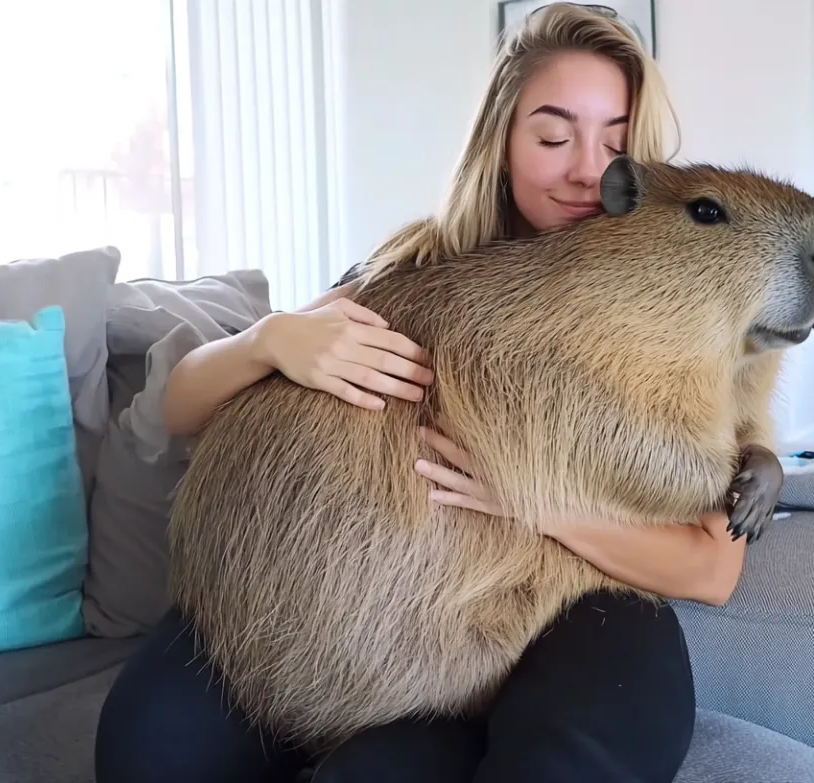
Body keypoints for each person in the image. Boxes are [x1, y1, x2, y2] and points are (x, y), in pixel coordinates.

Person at [95, 5, 769, 782]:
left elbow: (711, 569)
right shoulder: (414, 265)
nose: (586, 167)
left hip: (541, 602)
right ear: (503, 141)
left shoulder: (684, 303)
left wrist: (533, 501)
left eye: (614, 141)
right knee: (148, 748)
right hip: (353, 604)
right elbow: (173, 409)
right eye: (552, 135)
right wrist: (269, 339)